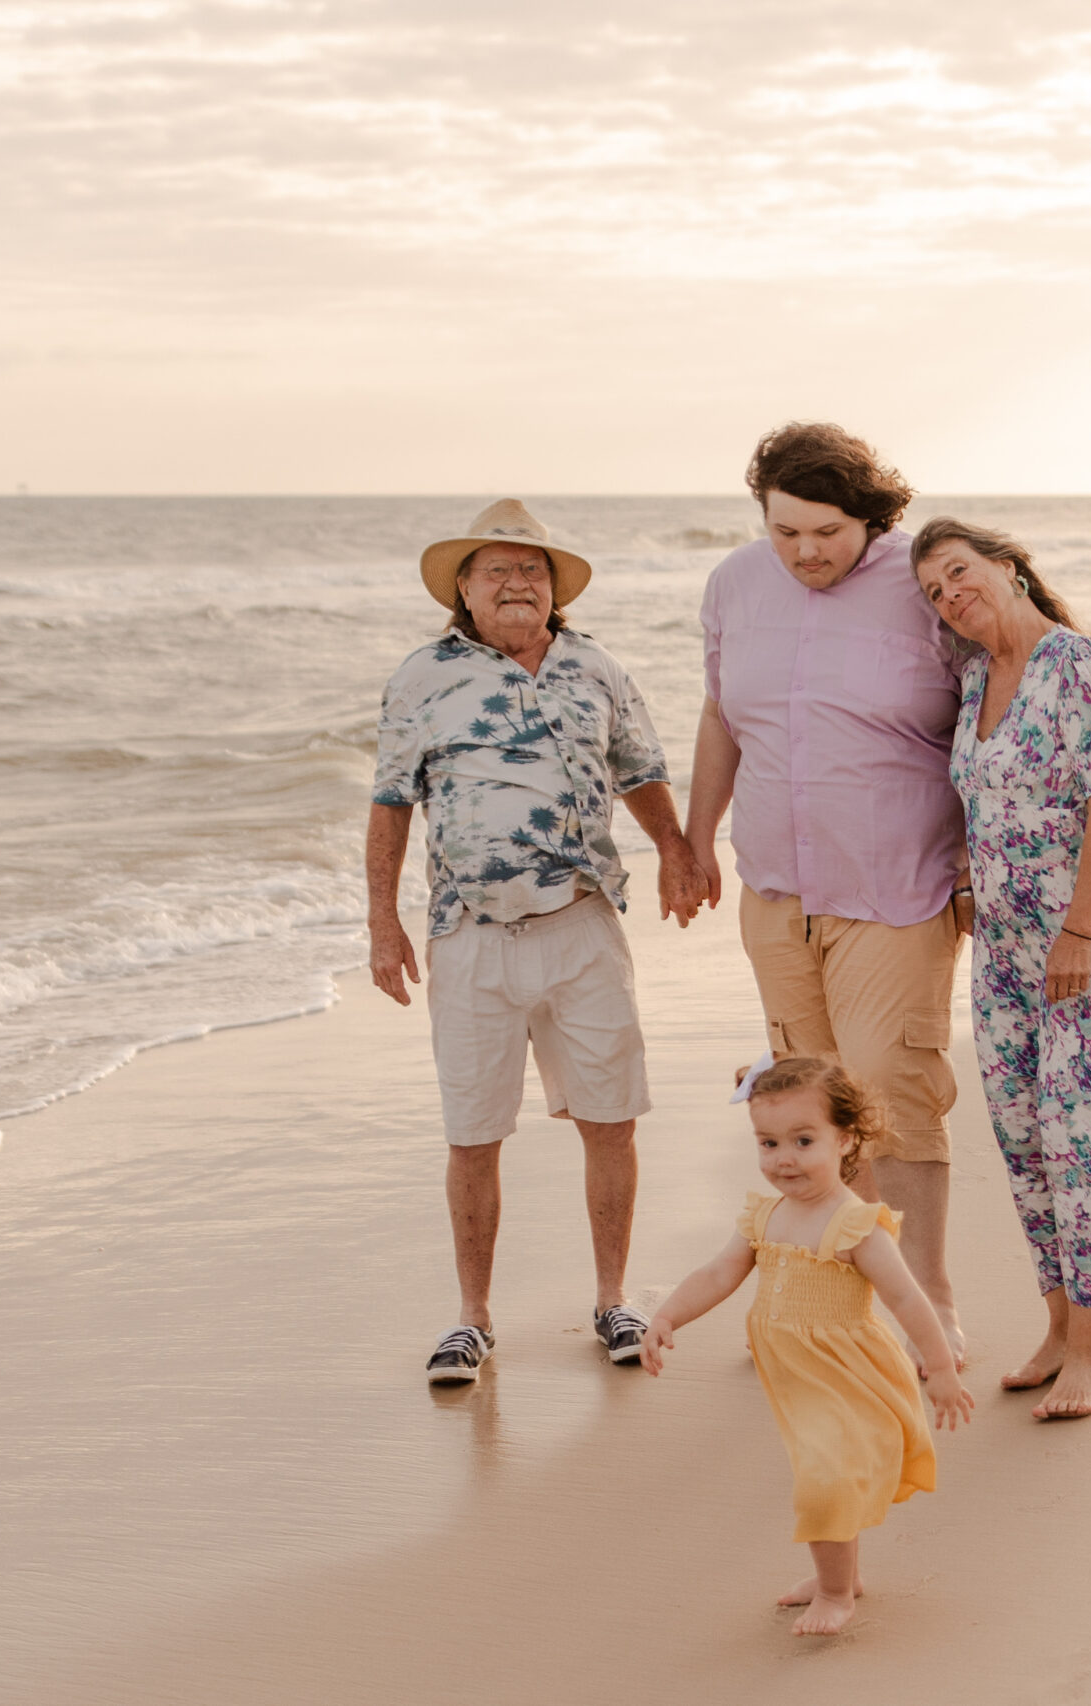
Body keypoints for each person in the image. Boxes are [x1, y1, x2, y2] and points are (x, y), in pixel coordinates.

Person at [368, 498, 696, 1385]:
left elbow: (643, 771)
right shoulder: (422, 676)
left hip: (584, 924)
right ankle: (472, 1319)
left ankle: (613, 1300)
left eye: (534, 571)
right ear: (464, 590)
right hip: (470, 936)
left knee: (611, 1120)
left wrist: (674, 849)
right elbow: (392, 801)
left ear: (554, 591)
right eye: (498, 571)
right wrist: (381, 920)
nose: (518, 584)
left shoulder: (596, 667)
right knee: (473, 1134)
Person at [681, 422, 972, 1367]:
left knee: (890, 1093)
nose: (806, 552)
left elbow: (988, 710)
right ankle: (823, 1302)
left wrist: (986, 862)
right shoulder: (732, 584)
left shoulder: (924, 585)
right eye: (786, 531)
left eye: (828, 533)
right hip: (774, 888)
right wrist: (693, 840)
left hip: (897, 886)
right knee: (801, 1112)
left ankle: (928, 1304)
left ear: (871, 518)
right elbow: (723, 717)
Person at [910, 517, 1091, 1420]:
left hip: (1089, 934)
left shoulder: (1076, 661)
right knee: (1024, 1133)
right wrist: (963, 887)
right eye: (933, 590)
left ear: (1006, 566)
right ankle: (1053, 1329)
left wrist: (1076, 932)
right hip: (1002, 944)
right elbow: (976, 802)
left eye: (960, 572)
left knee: (1084, 1131)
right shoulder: (971, 678)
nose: (952, 594)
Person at [644, 1056, 973, 1637]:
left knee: (824, 1479)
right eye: (768, 1143)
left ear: (846, 1139)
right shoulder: (764, 1215)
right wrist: (668, 1314)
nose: (783, 1159)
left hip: (848, 1374)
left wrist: (941, 1366)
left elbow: (908, 1300)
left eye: (803, 1140)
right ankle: (841, 1572)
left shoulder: (855, 1224)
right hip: (796, 1377)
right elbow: (719, 1273)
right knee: (825, 1472)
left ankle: (835, 1591)